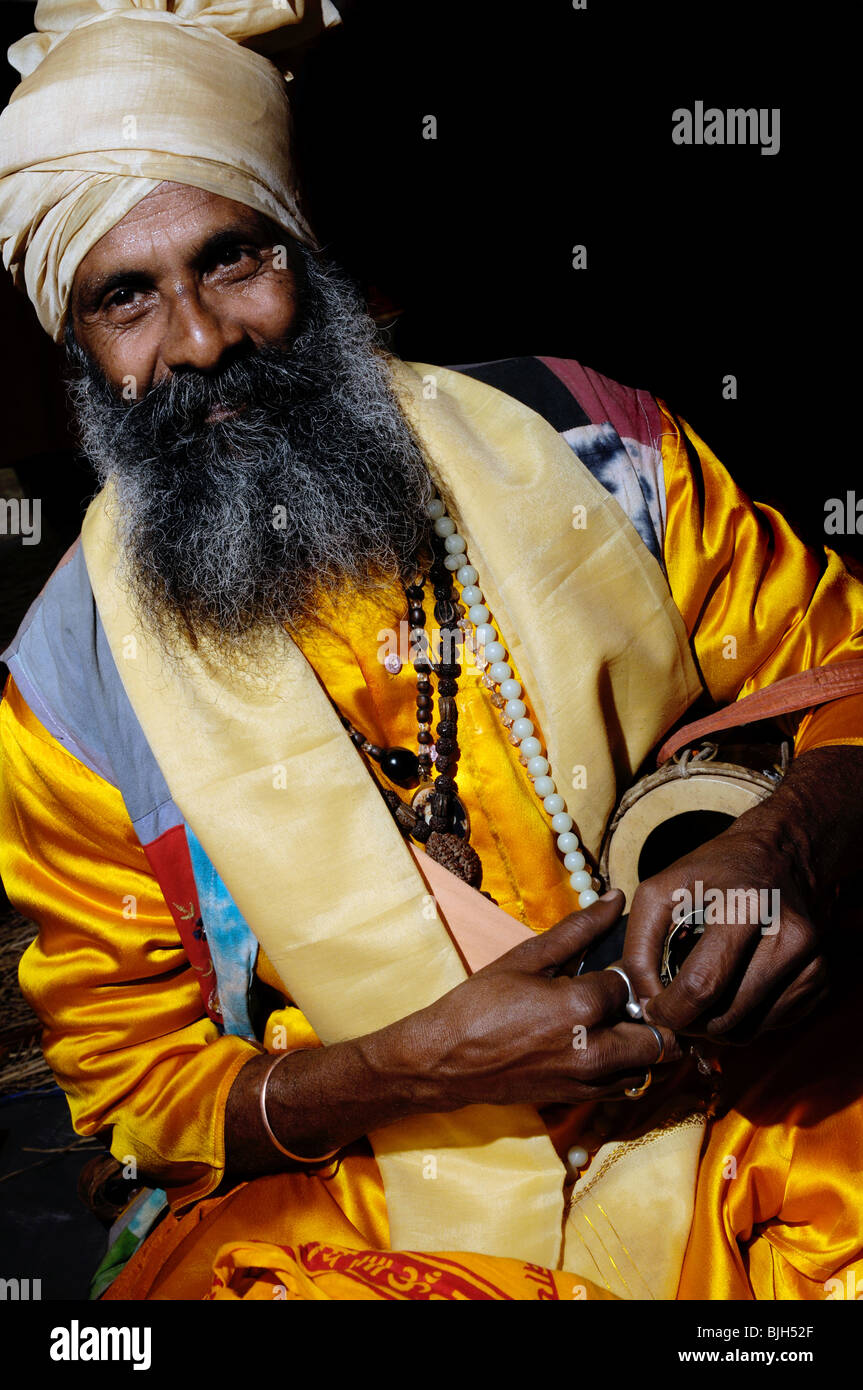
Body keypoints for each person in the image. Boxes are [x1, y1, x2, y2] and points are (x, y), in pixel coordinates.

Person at [1, 0, 862, 1302]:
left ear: (315, 255)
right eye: (127, 298)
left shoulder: (588, 441)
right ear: (81, 358)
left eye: (236, 260)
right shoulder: (70, 678)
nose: (200, 339)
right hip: (361, 1192)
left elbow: (848, 668)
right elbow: (143, 1097)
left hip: (738, 1091)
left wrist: (790, 838)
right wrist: (415, 1067)